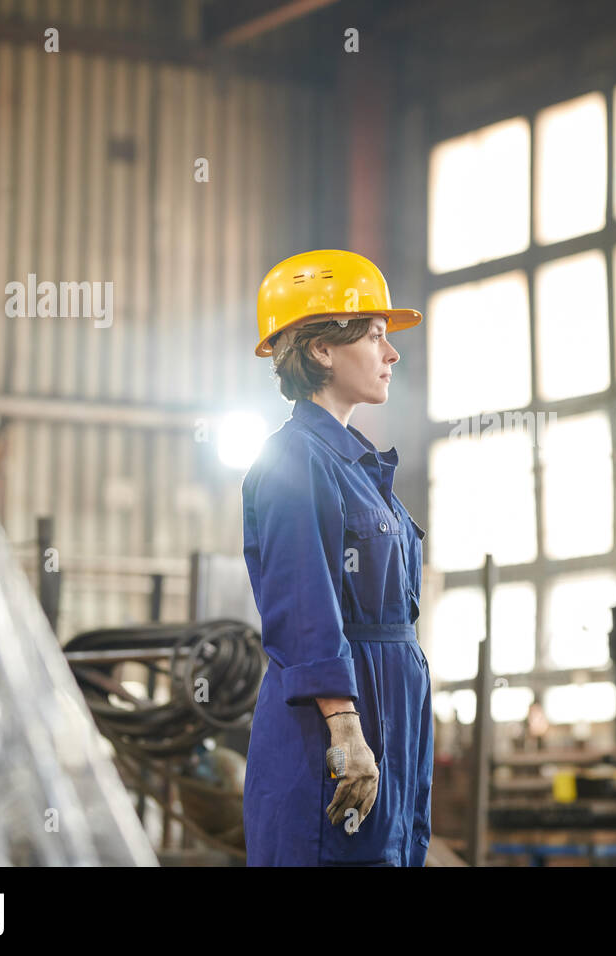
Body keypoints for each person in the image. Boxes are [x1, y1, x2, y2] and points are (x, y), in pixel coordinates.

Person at [240, 249, 432, 866]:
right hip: (333, 722)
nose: (392, 353)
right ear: (322, 349)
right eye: (375, 334)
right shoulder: (293, 459)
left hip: (390, 713)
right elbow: (302, 603)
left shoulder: (358, 467)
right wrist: (344, 723)